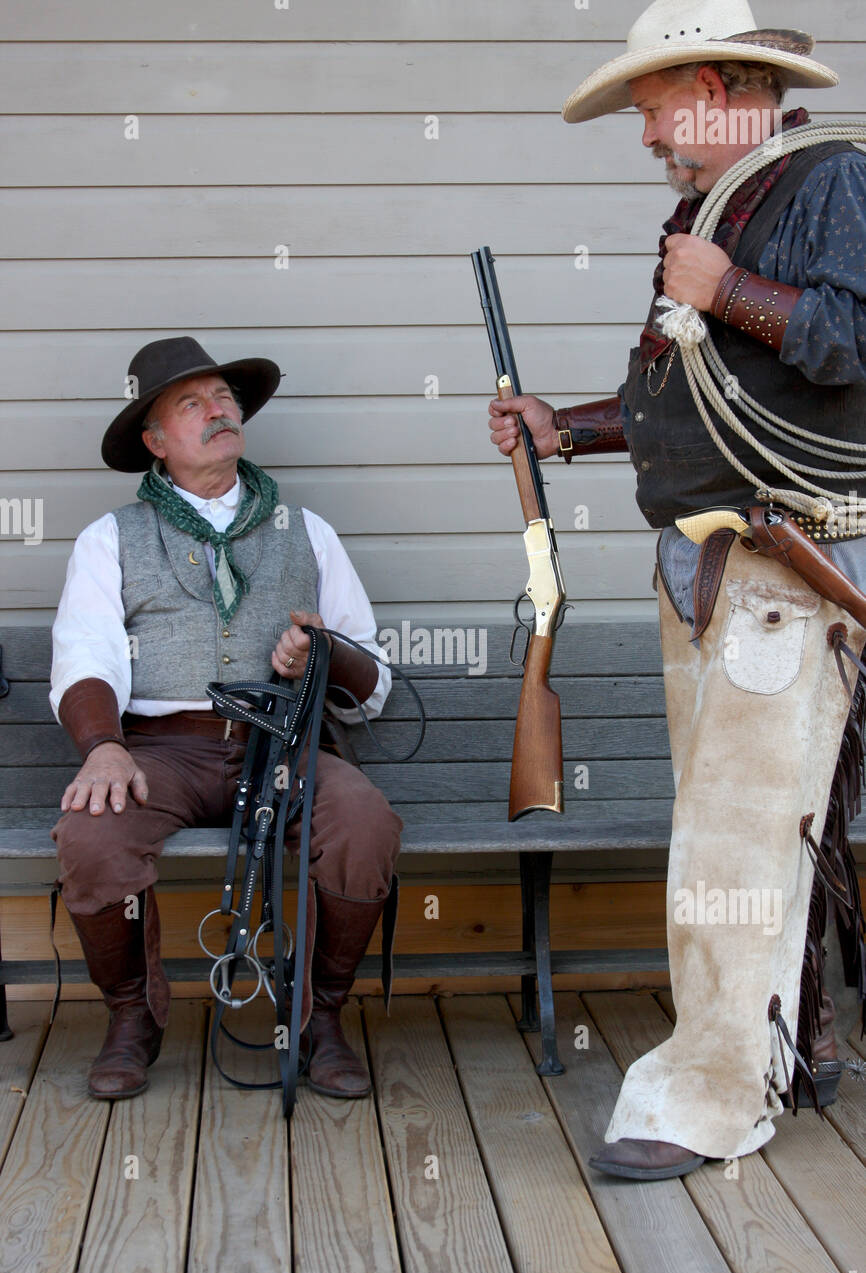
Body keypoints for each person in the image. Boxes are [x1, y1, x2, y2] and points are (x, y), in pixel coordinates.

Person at [488, 0, 866, 1178]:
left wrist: (724, 292)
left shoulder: (823, 182)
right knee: (746, 833)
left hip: (778, 567)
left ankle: (708, 1096)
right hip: (713, 566)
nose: (647, 129)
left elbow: (849, 345)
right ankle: (784, 1051)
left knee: (732, 844)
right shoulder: (712, 208)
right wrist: (568, 429)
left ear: (716, 83)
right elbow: (684, 403)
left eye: (655, 103)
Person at [51, 335, 402, 1102]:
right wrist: (104, 748)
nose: (218, 411)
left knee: (364, 822)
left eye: (225, 400)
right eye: (192, 403)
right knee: (90, 834)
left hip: (280, 744)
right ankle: (130, 1021)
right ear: (155, 441)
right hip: (159, 750)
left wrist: (323, 657)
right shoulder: (111, 538)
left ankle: (320, 1019)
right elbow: (85, 658)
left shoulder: (307, 532)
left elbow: (371, 681)